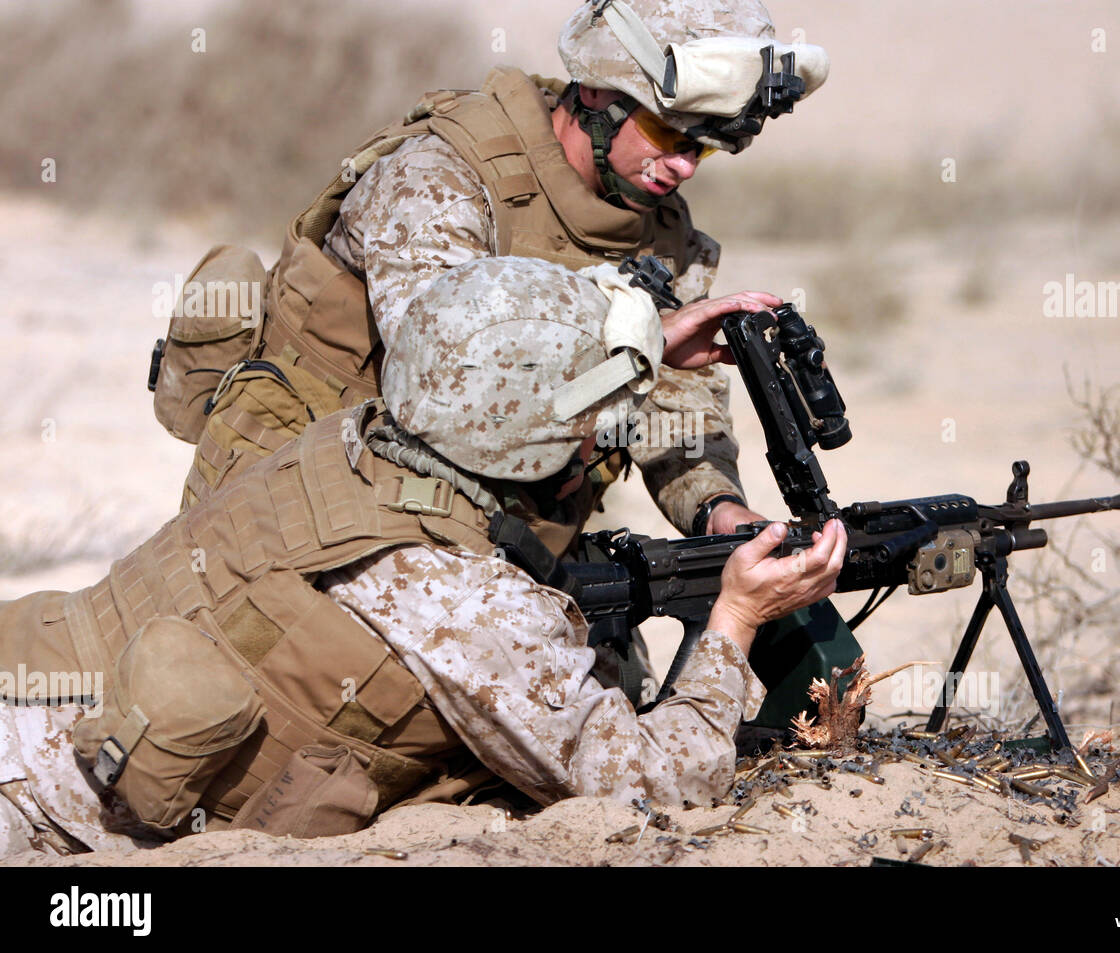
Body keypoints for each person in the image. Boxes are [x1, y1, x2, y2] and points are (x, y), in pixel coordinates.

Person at [1, 257, 847, 857]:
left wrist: (646, 343)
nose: (611, 429)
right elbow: (654, 788)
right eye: (602, 411)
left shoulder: (356, 436)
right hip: (41, 815)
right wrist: (735, 621)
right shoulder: (460, 598)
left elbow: (491, 371)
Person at [170, 0, 829, 550]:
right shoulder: (441, 178)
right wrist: (641, 344)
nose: (683, 167)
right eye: (669, 135)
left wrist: (721, 515)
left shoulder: (662, 234)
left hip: (497, 526)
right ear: (598, 91)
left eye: (705, 148)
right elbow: (446, 390)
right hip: (299, 508)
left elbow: (673, 412)